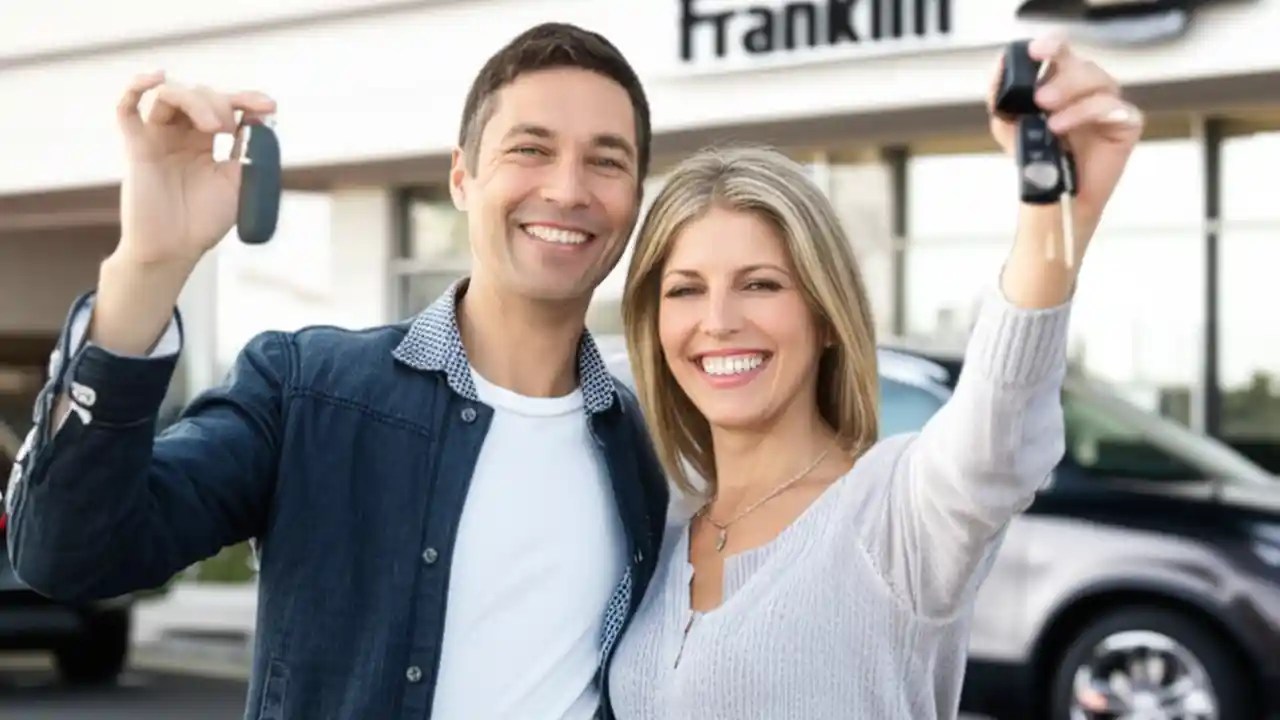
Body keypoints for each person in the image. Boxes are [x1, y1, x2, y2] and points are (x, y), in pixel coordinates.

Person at [3, 22, 668, 720]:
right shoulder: (309, 390)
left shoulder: (652, 447)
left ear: (633, 198)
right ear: (462, 178)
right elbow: (67, 553)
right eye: (531, 149)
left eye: (606, 160)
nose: (568, 189)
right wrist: (148, 265)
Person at [608, 36, 1143, 719]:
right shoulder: (664, 526)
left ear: (826, 315)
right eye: (684, 290)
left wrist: (1057, 217)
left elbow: (999, 424)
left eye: (761, 284)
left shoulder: (893, 515)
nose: (718, 321)